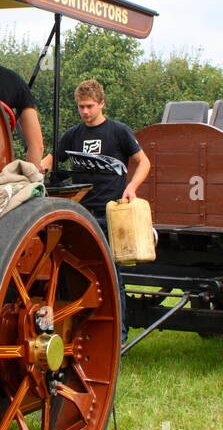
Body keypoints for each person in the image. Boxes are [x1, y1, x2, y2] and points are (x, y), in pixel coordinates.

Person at [42, 79, 151, 344]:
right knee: (74, 273)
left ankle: (119, 338)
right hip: (79, 214)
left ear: (102, 104)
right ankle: (77, 331)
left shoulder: (118, 132)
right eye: (81, 107)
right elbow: (51, 158)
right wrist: (36, 171)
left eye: (90, 106)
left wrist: (132, 187)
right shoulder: (73, 134)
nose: (85, 112)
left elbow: (143, 162)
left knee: (112, 276)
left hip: (109, 215)